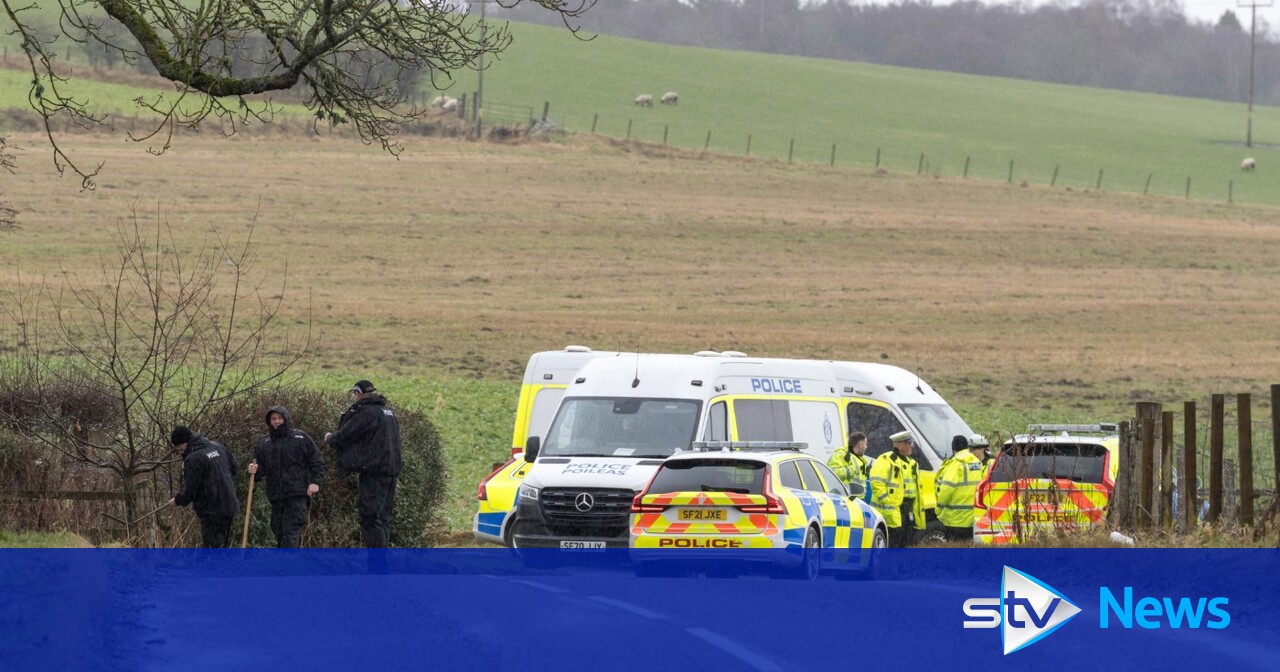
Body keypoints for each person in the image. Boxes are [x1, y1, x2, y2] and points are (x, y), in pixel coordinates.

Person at [325, 380, 403, 548]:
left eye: (354, 394)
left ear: (358, 393)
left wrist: (331, 439)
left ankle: (376, 567)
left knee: (370, 518)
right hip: (391, 471)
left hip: (374, 472)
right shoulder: (388, 411)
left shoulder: (367, 412)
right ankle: (381, 565)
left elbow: (347, 434)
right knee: (382, 518)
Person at [248, 406, 325, 548]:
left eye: (279, 418)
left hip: (296, 494)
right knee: (278, 531)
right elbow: (258, 470)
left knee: (291, 532)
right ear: (269, 422)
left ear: (286, 419)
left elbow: (317, 460)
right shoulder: (264, 443)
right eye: (273, 419)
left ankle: (286, 567)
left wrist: (315, 482)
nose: (277, 421)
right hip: (276, 496)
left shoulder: (300, 438)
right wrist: (253, 470)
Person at [168, 425, 239, 548]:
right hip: (229, 503)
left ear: (183, 444)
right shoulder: (217, 446)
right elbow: (235, 467)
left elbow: (190, 491)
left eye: (179, 448)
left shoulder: (192, 459)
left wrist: (177, 500)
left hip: (211, 509)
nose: (180, 451)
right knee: (222, 546)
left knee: (212, 550)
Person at [869, 429, 925, 547]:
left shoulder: (911, 463)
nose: (911, 446)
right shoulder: (886, 460)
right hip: (892, 511)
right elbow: (876, 483)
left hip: (907, 509)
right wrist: (887, 501)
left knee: (906, 543)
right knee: (893, 543)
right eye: (908, 443)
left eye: (911, 443)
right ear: (899, 445)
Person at [935, 434, 984, 542]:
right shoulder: (977, 462)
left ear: (953, 450)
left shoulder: (956, 463)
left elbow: (947, 489)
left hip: (956, 519)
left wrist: (938, 509)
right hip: (972, 518)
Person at [827, 431, 871, 498]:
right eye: (865, 444)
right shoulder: (840, 455)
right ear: (860, 446)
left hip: (858, 499)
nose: (866, 447)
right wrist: (850, 470)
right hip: (844, 498)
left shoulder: (862, 459)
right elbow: (831, 474)